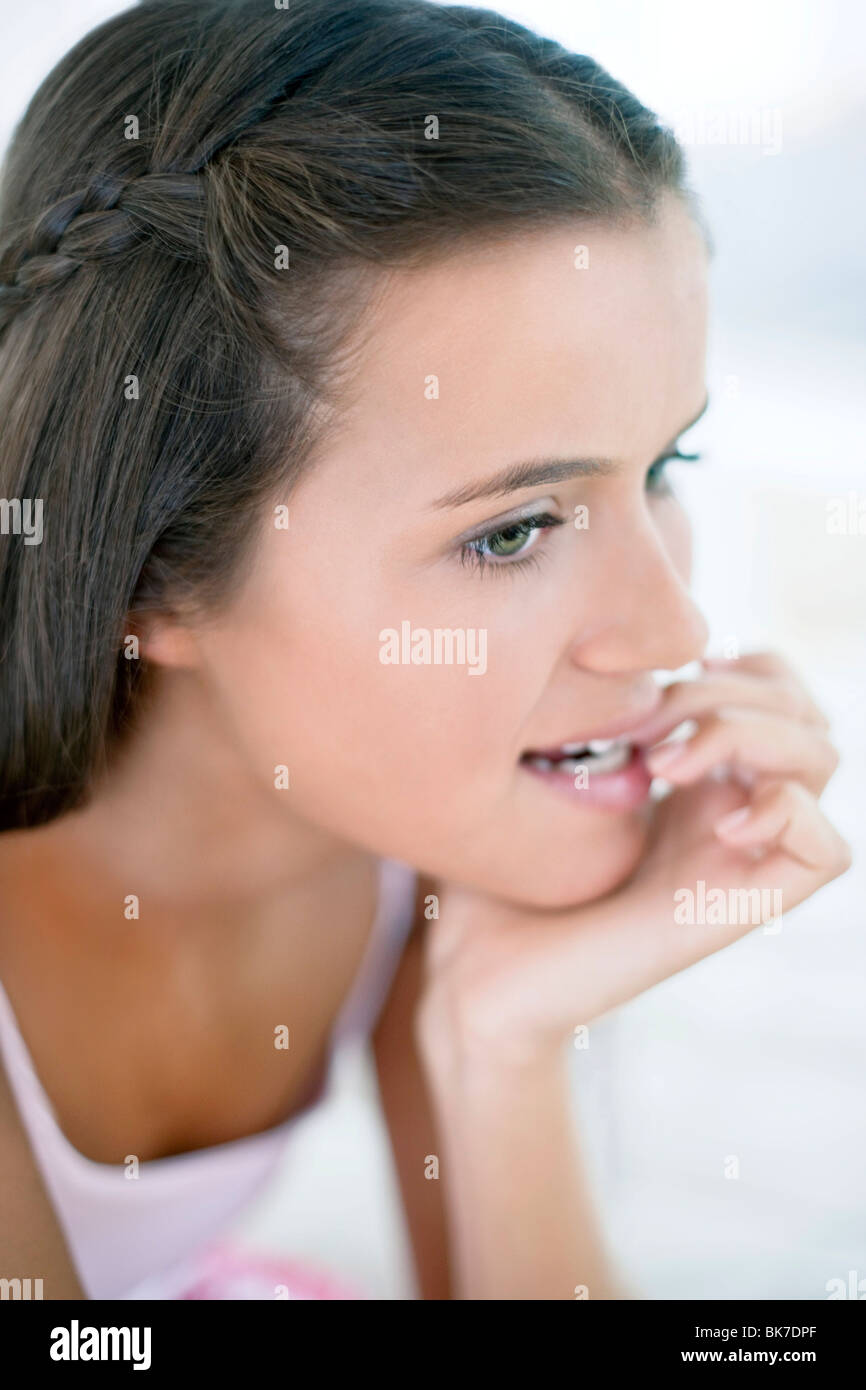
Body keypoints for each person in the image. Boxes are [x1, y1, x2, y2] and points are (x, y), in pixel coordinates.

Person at [0, 0, 849, 1301]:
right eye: (511, 531)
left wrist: (500, 1039)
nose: (674, 628)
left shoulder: (415, 849)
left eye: (664, 462)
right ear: (152, 570)